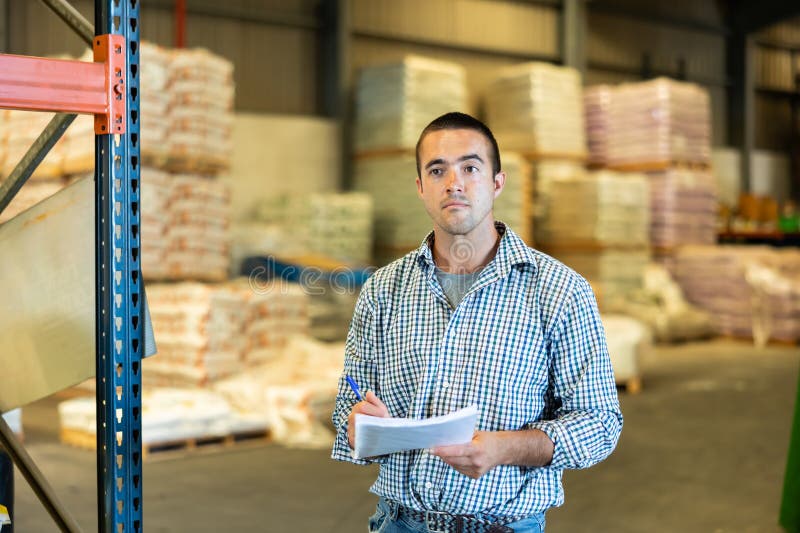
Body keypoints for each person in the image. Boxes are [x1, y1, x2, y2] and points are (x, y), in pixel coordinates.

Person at [331, 112, 622, 533]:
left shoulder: (559, 291)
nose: (454, 183)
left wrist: (506, 448)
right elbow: (347, 406)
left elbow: (599, 422)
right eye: (437, 170)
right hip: (399, 524)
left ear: (497, 182)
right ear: (420, 188)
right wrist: (357, 425)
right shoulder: (382, 291)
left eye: (470, 167)